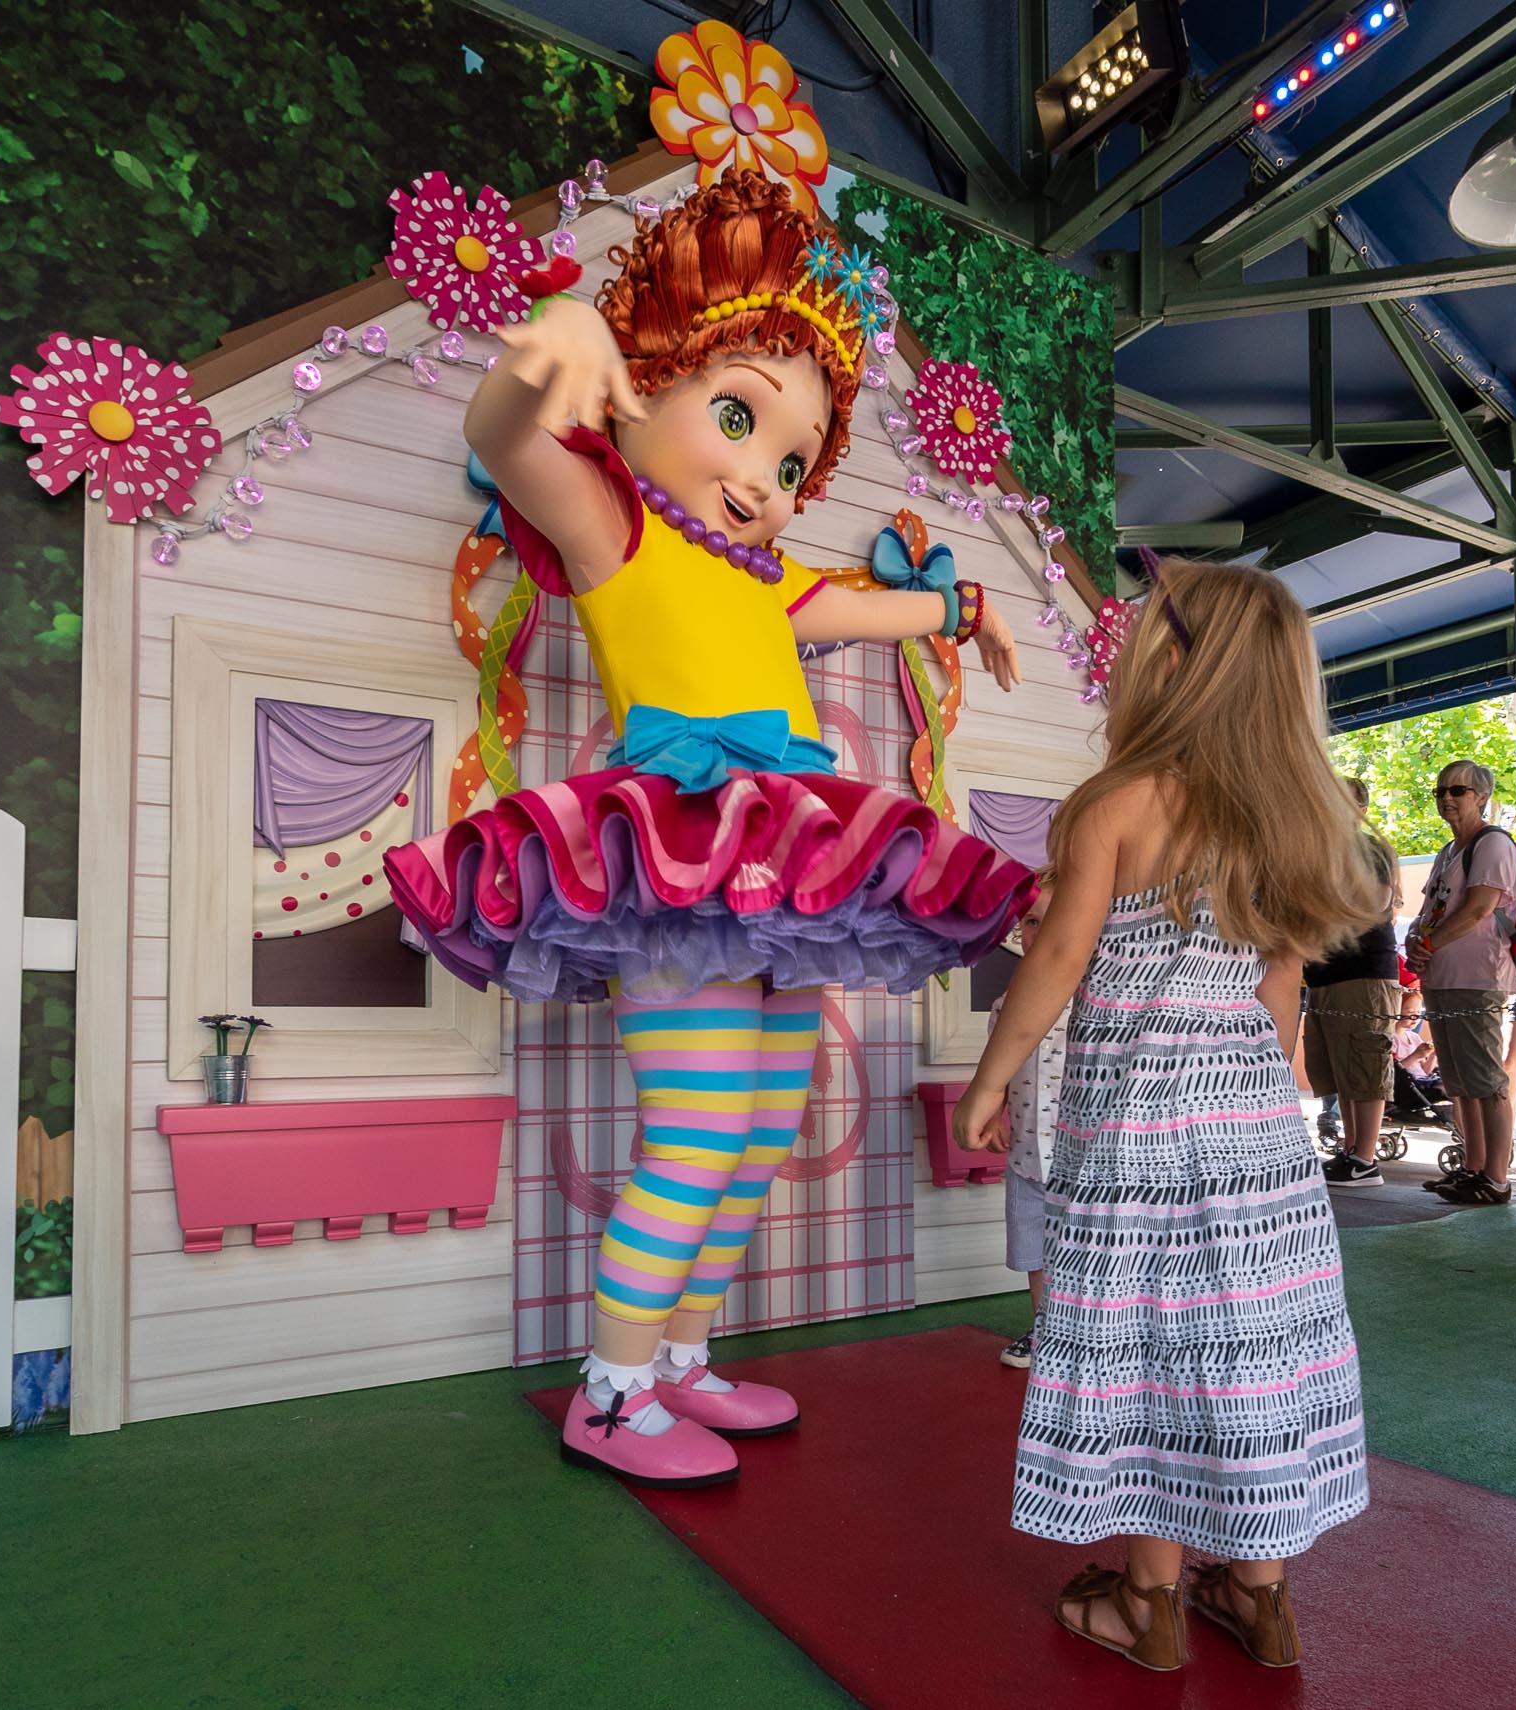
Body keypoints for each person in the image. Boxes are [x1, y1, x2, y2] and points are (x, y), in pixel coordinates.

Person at [385, 170, 1038, 1487]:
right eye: (735, 416)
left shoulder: (768, 572)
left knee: (753, 1133)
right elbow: (511, 437)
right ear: (644, 388)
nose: (761, 478)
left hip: (788, 871)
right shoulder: (613, 522)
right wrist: (549, 347)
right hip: (675, 863)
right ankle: (612, 1392)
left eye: (791, 461)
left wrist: (959, 613)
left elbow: (864, 610)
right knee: (690, 1131)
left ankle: (678, 1361)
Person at [952, 563, 1373, 1675]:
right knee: (1247, 1348)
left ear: (1180, 663)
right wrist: (1257, 1115)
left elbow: (1056, 958)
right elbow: (1279, 995)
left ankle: (1147, 1602)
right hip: (1256, 1133)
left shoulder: (1119, 805)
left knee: (1143, 1351)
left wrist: (994, 1078)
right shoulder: (1298, 821)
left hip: (1133, 1134)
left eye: (1143, 630)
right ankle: (1257, 1594)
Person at [1407, 760, 1516, 1206]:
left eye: (1457, 790)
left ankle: (1496, 1177)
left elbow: (1477, 909)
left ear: (1481, 797)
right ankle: (1473, 1167)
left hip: (1477, 976)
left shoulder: (1491, 843)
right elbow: (1430, 909)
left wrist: (1427, 944)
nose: (1447, 798)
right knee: (1458, 1080)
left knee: (1486, 1080)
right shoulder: (1447, 851)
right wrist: (1419, 941)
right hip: (1441, 974)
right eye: (1440, 792)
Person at [1310, 778, 1405, 1190]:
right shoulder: (1318, 851)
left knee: (1366, 1065)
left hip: (1364, 970)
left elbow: (1378, 901)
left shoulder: (1371, 849)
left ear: (1361, 809)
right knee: (1342, 1068)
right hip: (1326, 973)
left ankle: (1365, 1157)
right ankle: (1352, 1151)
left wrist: (1320, 915)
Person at [987, 875, 1066, 1368]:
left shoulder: (1094, 1006)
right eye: (1032, 922)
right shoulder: (1005, 1005)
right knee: (1033, 1247)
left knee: (1084, 1249)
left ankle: (1085, 1334)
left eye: (1055, 921)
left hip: (1084, 1159)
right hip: (1026, 1154)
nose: (1040, 932)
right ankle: (1044, 1332)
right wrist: (994, 1110)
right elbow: (997, 1068)